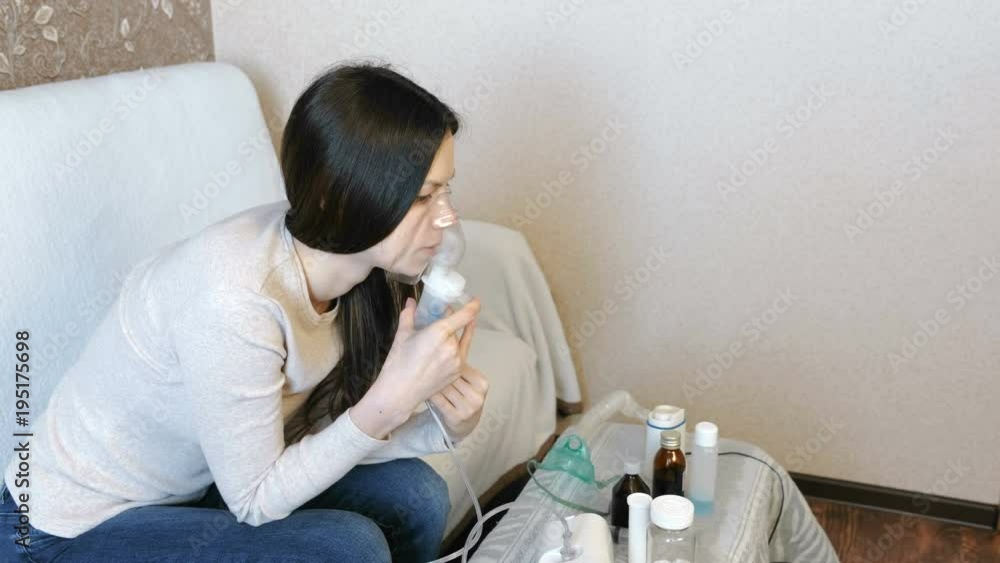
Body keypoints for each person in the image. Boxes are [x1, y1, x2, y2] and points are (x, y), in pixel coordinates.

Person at [1, 62, 489, 562]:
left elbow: (325, 440)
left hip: (202, 485)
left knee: (417, 497)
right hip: (61, 528)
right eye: (423, 196)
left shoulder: (360, 278)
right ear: (340, 198)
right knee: (348, 547)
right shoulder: (233, 298)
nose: (446, 218)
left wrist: (444, 426)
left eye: (445, 190)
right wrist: (386, 402)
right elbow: (256, 499)